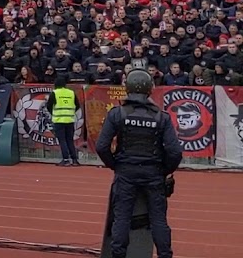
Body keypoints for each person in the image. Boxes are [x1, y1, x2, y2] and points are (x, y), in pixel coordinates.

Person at [95, 69, 182, 258]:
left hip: (126, 171)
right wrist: (164, 170)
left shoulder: (117, 114)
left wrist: (115, 165)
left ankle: (118, 254)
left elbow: (102, 146)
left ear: (128, 88)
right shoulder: (162, 117)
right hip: (153, 173)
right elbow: (175, 152)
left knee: (122, 217)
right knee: (158, 219)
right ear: (150, 89)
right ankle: (165, 255)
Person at [43, 74, 80, 166]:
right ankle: (74, 160)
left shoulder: (54, 93)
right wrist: (70, 112)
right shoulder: (71, 92)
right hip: (70, 119)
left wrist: (54, 113)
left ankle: (66, 159)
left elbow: (49, 106)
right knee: (70, 140)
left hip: (59, 120)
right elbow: (78, 105)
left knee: (62, 140)